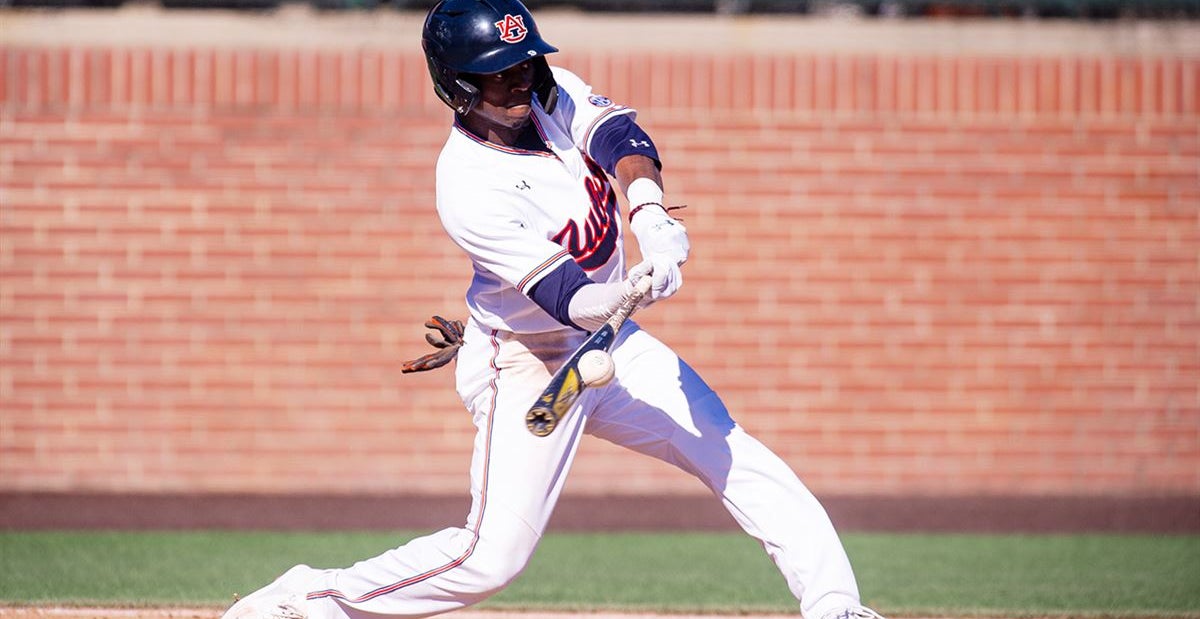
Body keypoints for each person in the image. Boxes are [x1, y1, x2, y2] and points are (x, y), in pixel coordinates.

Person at [221, 1, 884, 618]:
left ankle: (835, 604)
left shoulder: (552, 92)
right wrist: (625, 292)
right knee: (490, 559)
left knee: (729, 448)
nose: (518, 79)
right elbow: (568, 298)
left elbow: (622, 136)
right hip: (526, 362)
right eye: (497, 71)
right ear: (456, 84)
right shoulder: (467, 185)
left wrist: (649, 214)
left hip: (613, 346)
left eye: (524, 62)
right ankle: (306, 598)